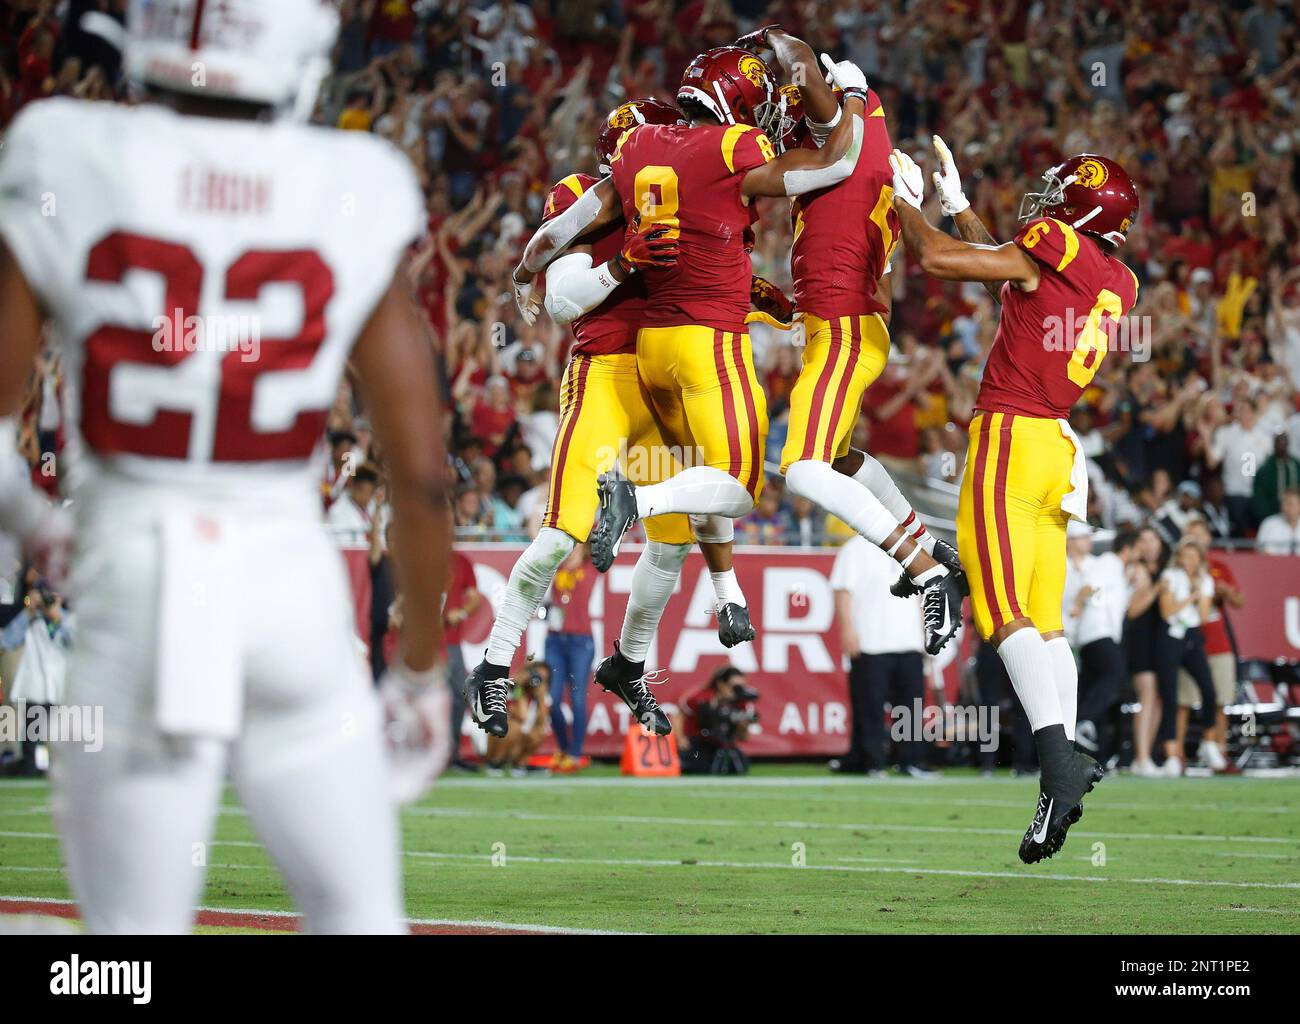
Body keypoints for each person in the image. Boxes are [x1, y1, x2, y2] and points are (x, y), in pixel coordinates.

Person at [0, 0, 453, 933]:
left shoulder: (67, 150)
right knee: (361, 917)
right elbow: (421, 476)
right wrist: (417, 672)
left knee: (125, 953)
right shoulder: (348, 180)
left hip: (136, 585)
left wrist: (35, 523)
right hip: (290, 594)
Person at [464, 99, 756, 742]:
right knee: (560, 533)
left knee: (673, 536)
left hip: (663, 380)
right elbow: (565, 298)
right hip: (604, 373)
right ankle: (492, 663)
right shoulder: (583, 196)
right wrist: (623, 263)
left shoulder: (688, 197)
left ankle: (629, 662)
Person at [891, 144, 1140, 862]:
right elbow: (1014, 277)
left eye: (1063, 191)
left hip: (1009, 435)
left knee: (999, 613)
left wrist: (899, 197)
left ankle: (1058, 765)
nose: (1049, 199)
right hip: (1058, 451)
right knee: (1046, 626)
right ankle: (1065, 768)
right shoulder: (1119, 280)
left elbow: (939, 261)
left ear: (1084, 208)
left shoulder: (1052, 244)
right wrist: (963, 208)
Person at [739, 26, 965, 647]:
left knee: (803, 468)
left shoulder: (846, 128)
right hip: (842, 325)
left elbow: (803, 66)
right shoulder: (868, 165)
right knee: (837, 461)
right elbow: (883, 291)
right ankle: (925, 544)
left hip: (842, 330)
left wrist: (771, 39)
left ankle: (920, 573)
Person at [830, 534, 934, 777]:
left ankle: (910, 761)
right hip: (870, 641)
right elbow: (843, 591)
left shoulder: (911, 547)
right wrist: (848, 630)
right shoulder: (854, 548)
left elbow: (920, 595)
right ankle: (871, 761)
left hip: (909, 641)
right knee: (870, 707)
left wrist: (924, 633)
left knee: (911, 706)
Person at [1175, 519, 1243, 773]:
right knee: (1183, 702)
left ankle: (1219, 753)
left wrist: (1225, 591)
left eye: (1200, 535)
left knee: (1219, 701)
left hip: (1217, 641)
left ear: (1208, 540)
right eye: (1190, 535)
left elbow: (1240, 601)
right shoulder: (1177, 572)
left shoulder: (1218, 568)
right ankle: (1177, 755)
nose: (1196, 540)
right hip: (1189, 642)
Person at [1062, 523, 1130, 762]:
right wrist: (1077, 607)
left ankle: (1090, 756)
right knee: (1072, 695)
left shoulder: (1096, 564)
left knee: (1092, 692)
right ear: (1069, 541)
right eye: (1082, 538)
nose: (1087, 542)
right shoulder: (1059, 565)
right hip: (1063, 637)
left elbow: (1096, 594)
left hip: (1084, 636)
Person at [1154, 538, 1221, 776]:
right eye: (1185, 556)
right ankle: (1171, 753)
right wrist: (1190, 597)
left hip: (1191, 636)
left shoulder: (1206, 581)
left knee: (1209, 689)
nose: (1188, 562)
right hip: (1170, 637)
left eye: (1193, 557)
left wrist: (1198, 593)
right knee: (1170, 696)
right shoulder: (1170, 576)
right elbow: (1166, 611)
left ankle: (1209, 741)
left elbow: (1203, 616)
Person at [544, 544, 596, 771]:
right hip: (555, 640)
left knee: (577, 699)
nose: (570, 552)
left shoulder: (590, 567)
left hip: (580, 642)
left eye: (575, 548)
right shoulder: (557, 567)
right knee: (552, 700)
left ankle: (575, 754)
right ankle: (564, 749)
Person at [1125, 527, 1167, 777]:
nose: (1150, 544)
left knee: (1158, 698)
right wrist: (1156, 589)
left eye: (1153, 539)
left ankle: (1146, 755)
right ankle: (1140, 757)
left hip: (1158, 640)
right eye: (1145, 539)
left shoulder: (1164, 569)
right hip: (1140, 638)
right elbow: (1132, 610)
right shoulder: (1136, 570)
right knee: (1147, 695)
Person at [674, 665, 759, 775]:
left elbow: (745, 737)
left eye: (741, 687)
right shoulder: (701, 697)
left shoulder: (741, 702)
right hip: (699, 742)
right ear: (721, 684)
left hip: (724, 745)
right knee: (699, 767)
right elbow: (678, 716)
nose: (737, 691)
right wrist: (681, 739)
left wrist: (743, 725)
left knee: (740, 765)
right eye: (734, 687)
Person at [442, 548, 482, 770]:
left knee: (459, 695)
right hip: (424, 641)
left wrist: (463, 612)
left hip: (450, 641)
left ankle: (452, 753)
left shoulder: (459, 561)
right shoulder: (421, 556)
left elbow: (475, 598)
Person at [484, 662, 551, 776]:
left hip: (518, 740)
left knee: (539, 731)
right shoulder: (510, 689)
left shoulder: (542, 696)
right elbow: (522, 715)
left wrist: (540, 697)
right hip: (495, 738)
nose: (536, 680)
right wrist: (519, 687)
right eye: (535, 674)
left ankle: (520, 764)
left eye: (543, 678)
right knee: (513, 727)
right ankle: (495, 762)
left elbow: (542, 720)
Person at [1256, 488, 1300, 554]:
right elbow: (1261, 551)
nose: (1285, 508)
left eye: (1290, 504)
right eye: (1283, 504)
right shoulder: (1269, 523)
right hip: (1273, 563)